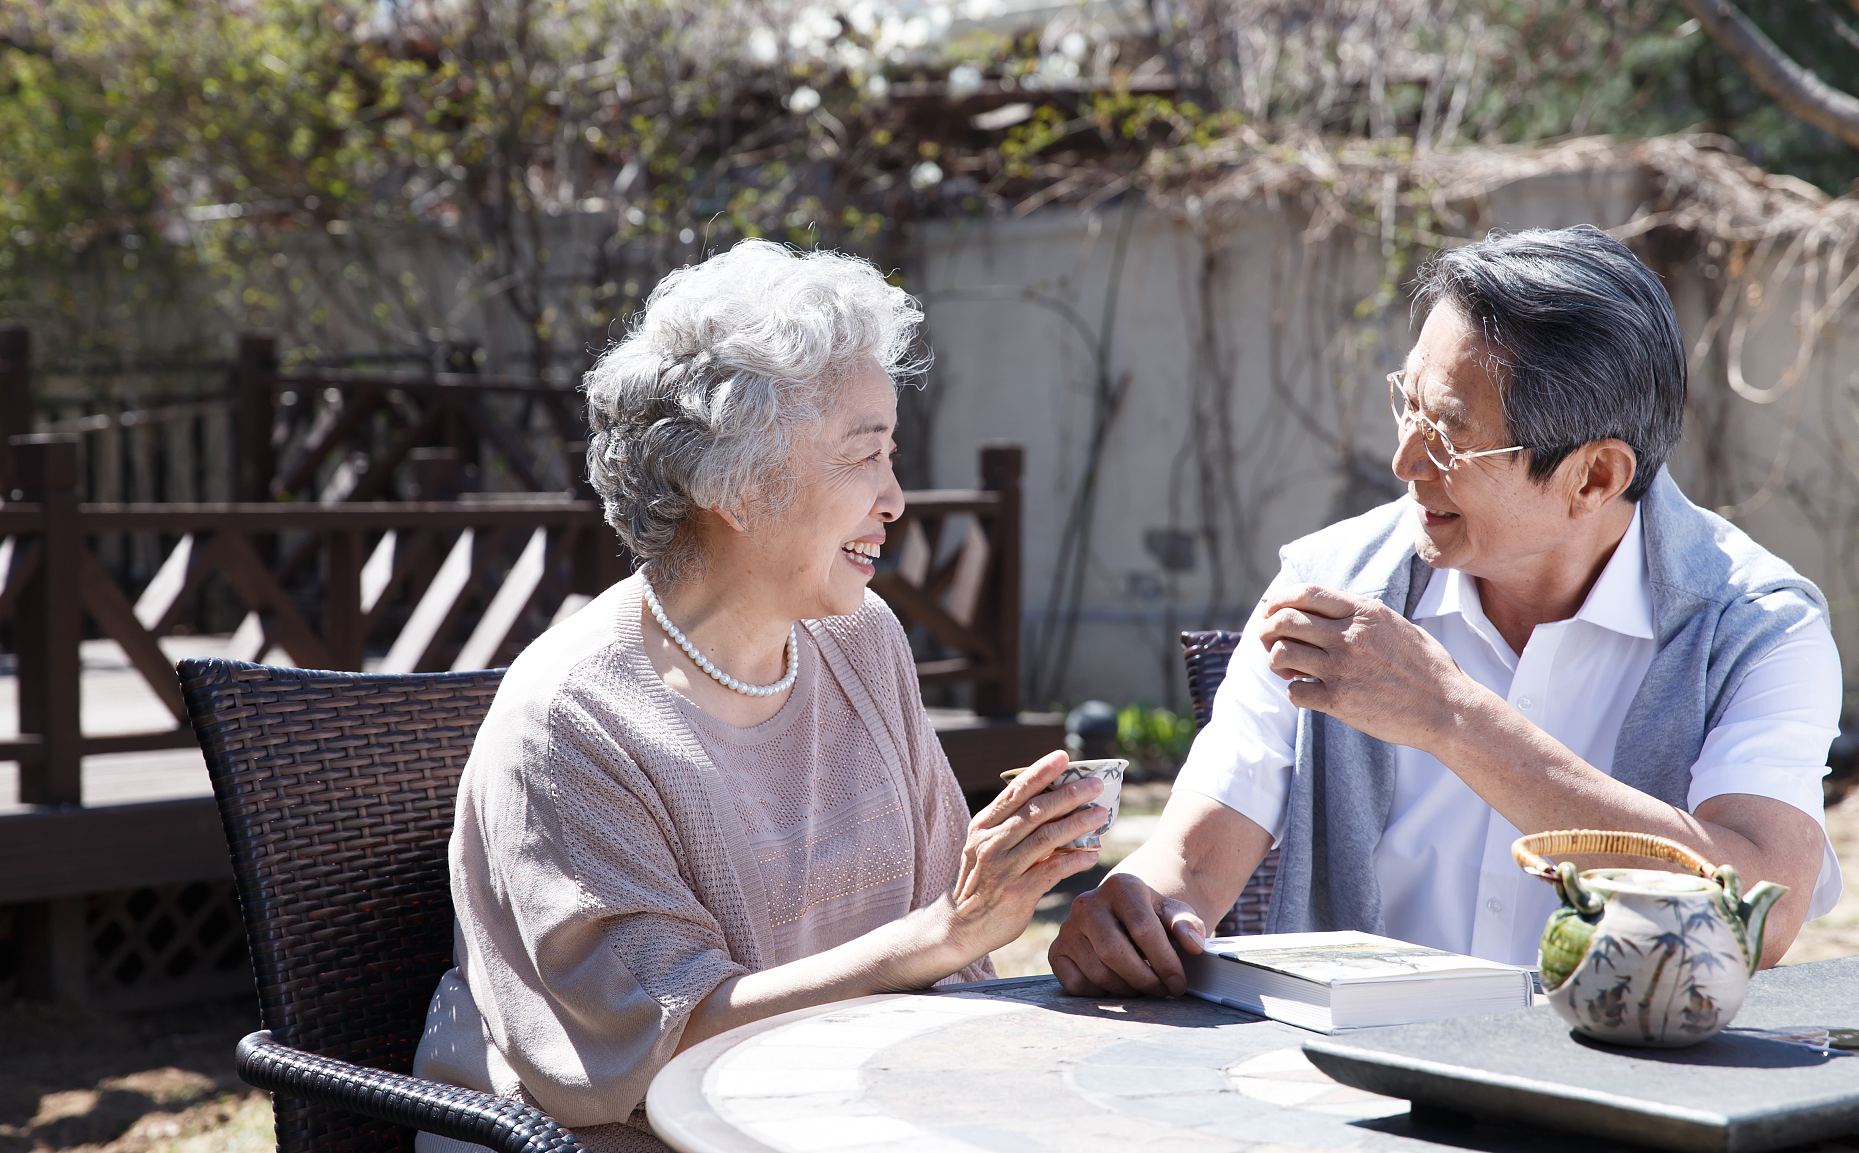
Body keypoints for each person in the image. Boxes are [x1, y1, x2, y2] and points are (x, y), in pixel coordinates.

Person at [414, 240, 1102, 1150]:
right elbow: (658, 1047)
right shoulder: (576, 719)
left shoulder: (862, 639)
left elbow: (953, 930)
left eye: (892, 452)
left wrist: (1005, 888)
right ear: (731, 484)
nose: (895, 497)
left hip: (837, 1114)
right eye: (865, 455)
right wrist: (943, 932)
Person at [1051, 225, 1844, 996]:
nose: (1404, 460)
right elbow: (1188, 866)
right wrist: (1135, 913)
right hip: (1355, 1094)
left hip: (1627, 1097)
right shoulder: (1330, 586)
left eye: (1450, 435)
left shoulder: (1755, 626)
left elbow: (1757, 914)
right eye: (1409, 403)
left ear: (1596, 477)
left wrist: (1451, 714)